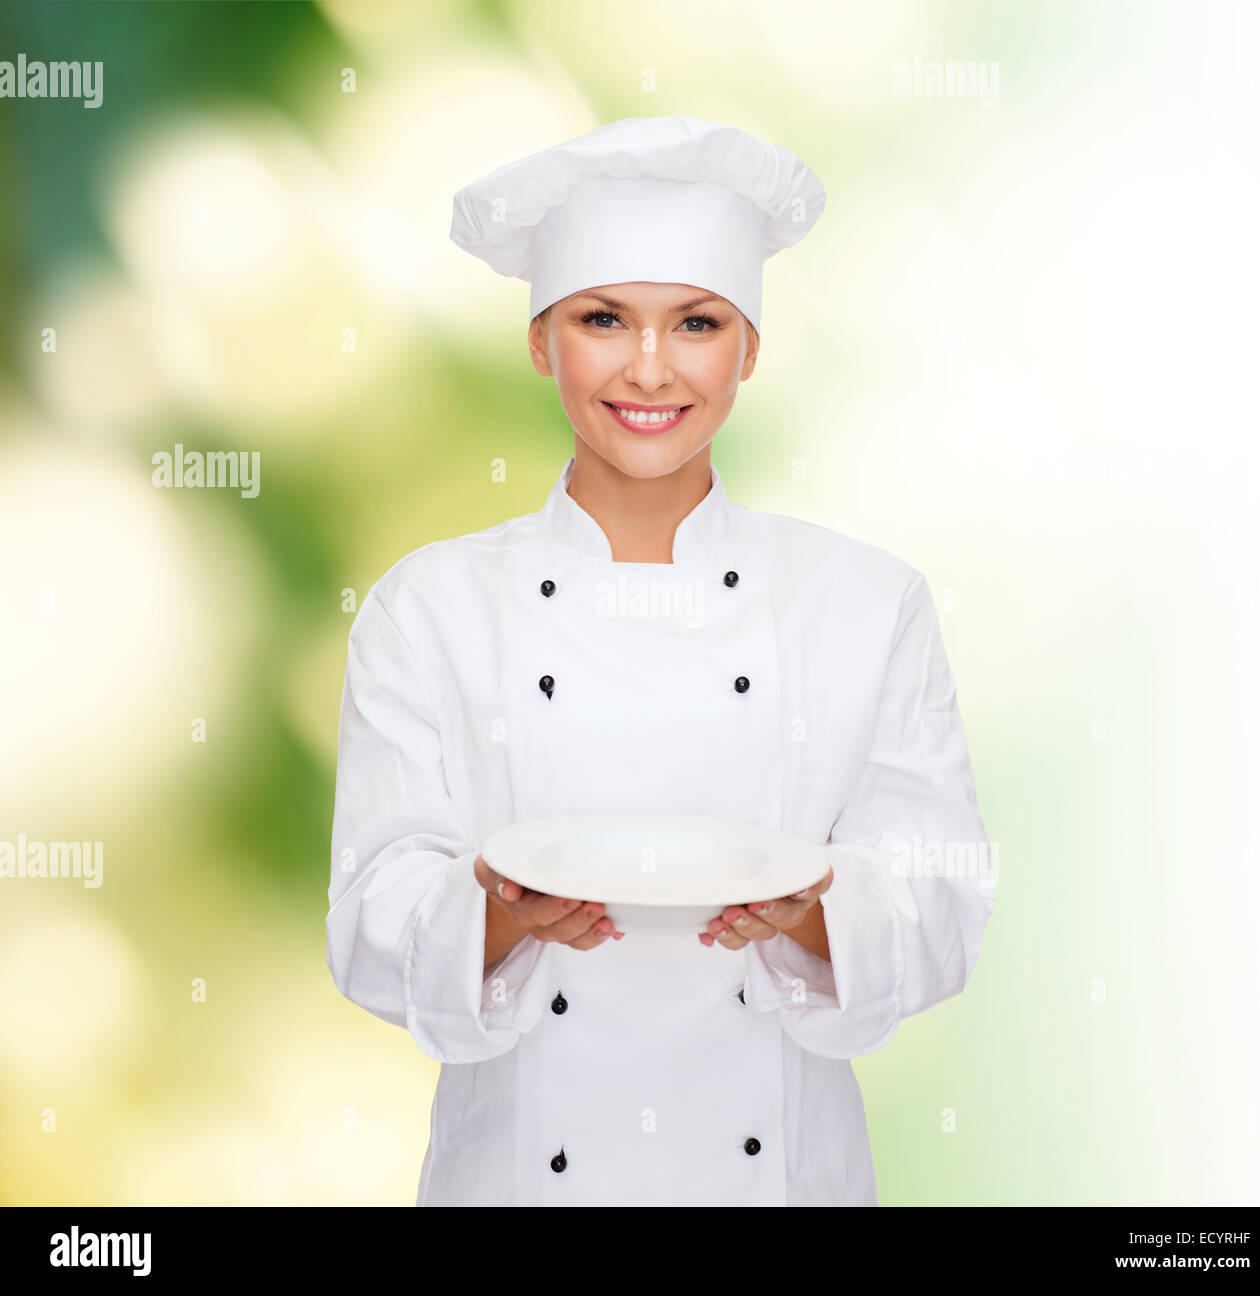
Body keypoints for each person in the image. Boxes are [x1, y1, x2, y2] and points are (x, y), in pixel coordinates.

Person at [326, 114, 995, 1207]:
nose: (649, 367)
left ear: (749, 349)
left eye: (694, 323)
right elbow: (366, 926)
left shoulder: (868, 604)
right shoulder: (429, 608)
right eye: (602, 319)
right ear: (541, 341)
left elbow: (944, 900)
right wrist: (502, 911)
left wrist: (812, 909)